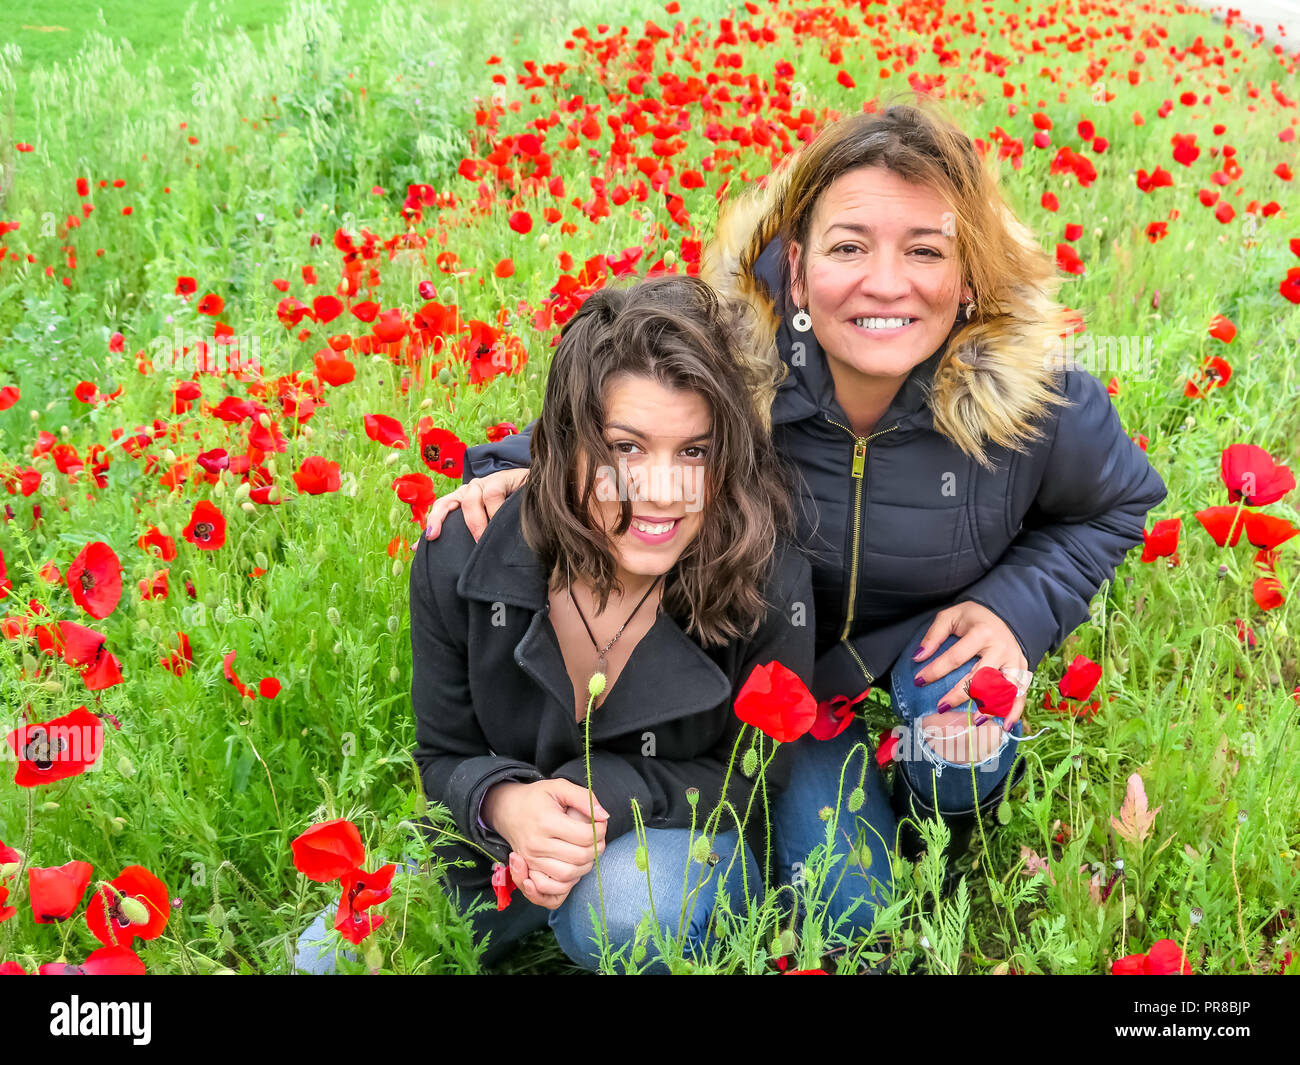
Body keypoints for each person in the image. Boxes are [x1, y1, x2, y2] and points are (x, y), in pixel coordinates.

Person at [421, 98, 1167, 938]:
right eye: (850, 246)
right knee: (845, 910)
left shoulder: (1036, 396)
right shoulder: (742, 364)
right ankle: (739, 858)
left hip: (918, 650)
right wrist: (505, 468)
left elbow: (1120, 504)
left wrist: (1014, 607)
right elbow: (618, 414)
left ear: (968, 278)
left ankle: (937, 820)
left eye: (925, 250)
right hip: (766, 673)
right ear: (799, 268)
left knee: (951, 753)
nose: (886, 282)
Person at [296, 276, 815, 974]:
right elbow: (442, 754)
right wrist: (505, 802)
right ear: (563, 444)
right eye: (626, 448)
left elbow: (753, 780)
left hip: (676, 844)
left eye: (694, 450)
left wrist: (602, 796)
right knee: (321, 958)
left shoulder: (767, 579)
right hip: (495, 849)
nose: (662, 491)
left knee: (624, 906)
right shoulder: (462, 552)